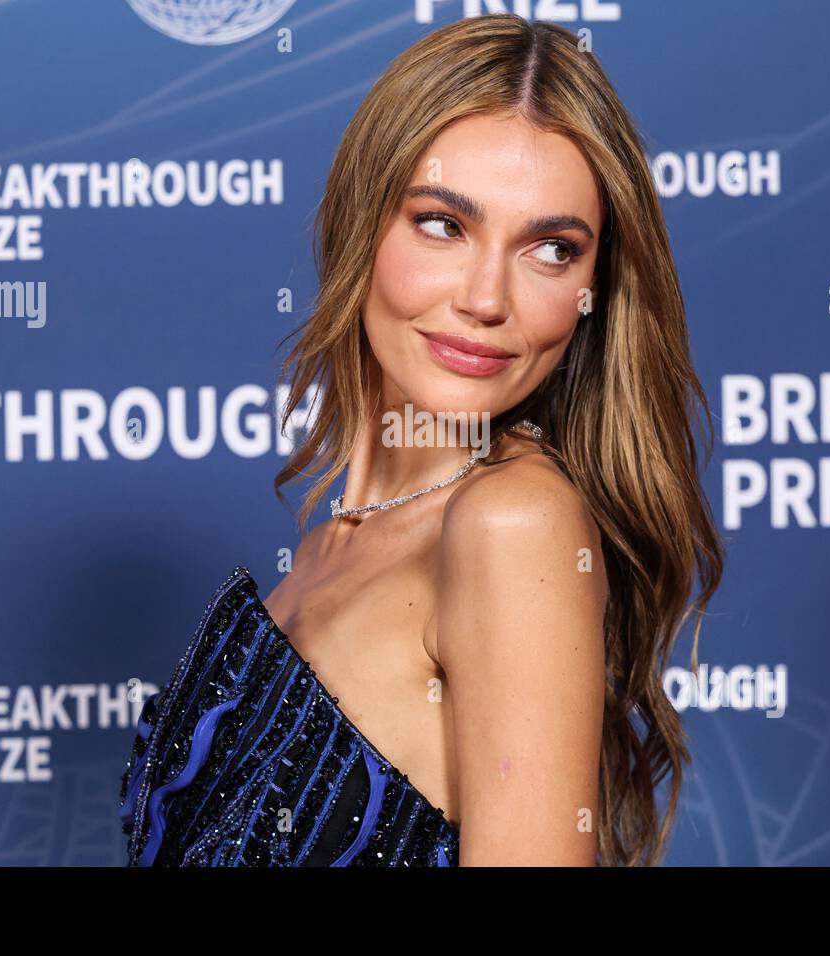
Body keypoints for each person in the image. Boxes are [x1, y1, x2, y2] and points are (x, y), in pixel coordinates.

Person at [120, 11, 723, 868]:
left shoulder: (515, 524)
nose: (487, 297)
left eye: (551, 249)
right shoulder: (335, 538)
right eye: (445, 224)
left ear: (593, 289)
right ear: (364, 223)